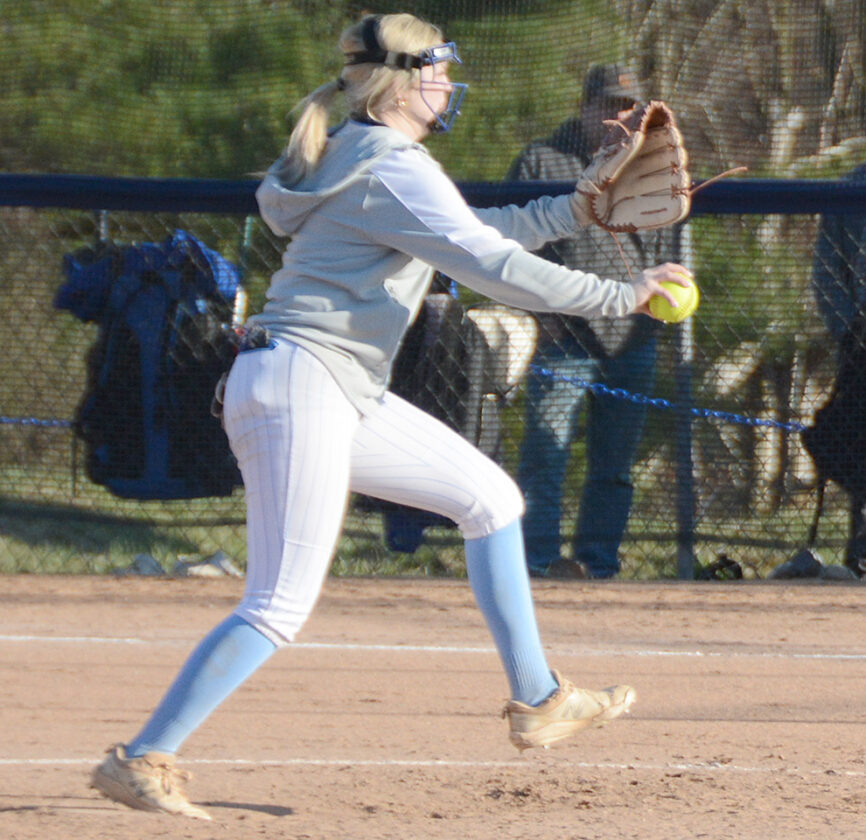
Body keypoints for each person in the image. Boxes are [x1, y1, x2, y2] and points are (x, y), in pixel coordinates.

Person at [89, 13, 692, 819]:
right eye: (440, 71)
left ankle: (541, 698)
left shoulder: (362, 153)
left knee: (491, 501)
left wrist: (577, 210)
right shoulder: (391, 166)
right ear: (405, 82)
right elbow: (492, 266)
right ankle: (144, 756)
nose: (450, 85)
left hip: (328, 387)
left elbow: (477, 235)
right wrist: (625, 295)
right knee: (278, 604)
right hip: (306, 384)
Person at [508, 63, 690, 579]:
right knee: (546, 453)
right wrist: (540, 317)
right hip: (565, 336)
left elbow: (676, 244)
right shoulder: (542, 160)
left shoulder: (654, 160)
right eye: (607, 104)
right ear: (583, 105)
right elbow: (510, 250)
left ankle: (598, 566)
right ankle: (536, 563)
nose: (618, 115)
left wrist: (660, 318)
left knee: (613, 467)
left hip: (633, 336)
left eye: (628, 106)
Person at [810, 161, 866, 579]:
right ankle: (861, 556)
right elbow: (827, 275)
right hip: (861, 345)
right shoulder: (852, 187)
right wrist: (851, 333)